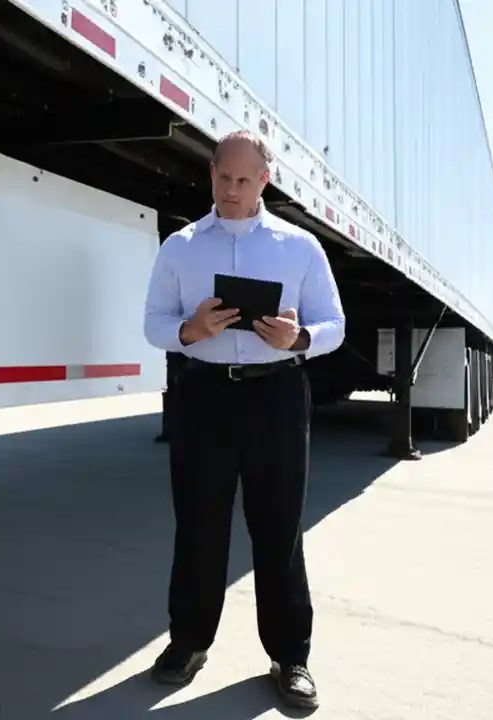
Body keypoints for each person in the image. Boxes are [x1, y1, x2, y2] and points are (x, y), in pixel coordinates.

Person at [141, 130, 346, 709]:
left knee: (279, 527)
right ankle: (188, 643)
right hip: (202, 396)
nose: (230, 190)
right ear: (211, 173)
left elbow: (335, 325)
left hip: (276, 394)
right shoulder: (180, 247)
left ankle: (290, 657)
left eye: (243, 180)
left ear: (264, 181)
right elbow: (153, 323)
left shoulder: (299, 247)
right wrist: (190, 330)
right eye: (222, 177)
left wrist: (297, 338)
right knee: (198, 524)